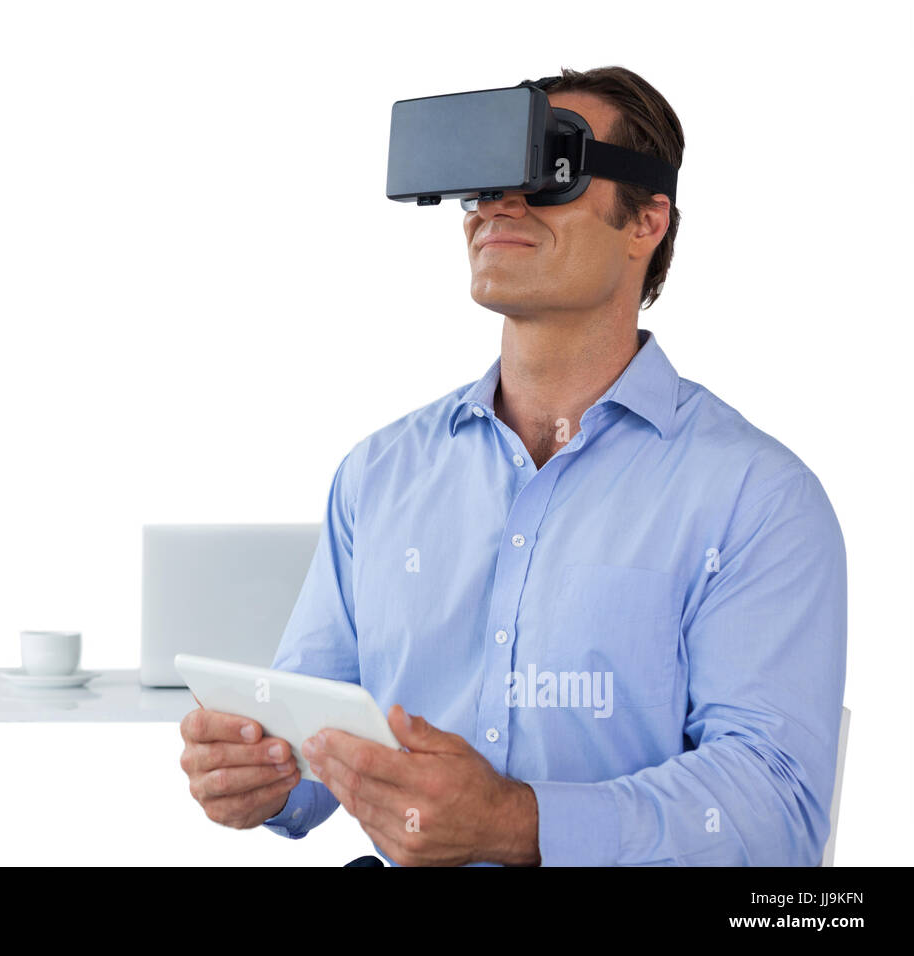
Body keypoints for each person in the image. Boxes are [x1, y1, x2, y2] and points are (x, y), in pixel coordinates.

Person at [178, 65, 846, 866]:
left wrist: (519, 823)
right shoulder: (378, 477)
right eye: (484, 180)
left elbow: (773, 807)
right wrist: (265, 772)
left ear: (647, 220)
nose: (500, 203)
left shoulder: (756, 499)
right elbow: (318, 737)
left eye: (549, 170)